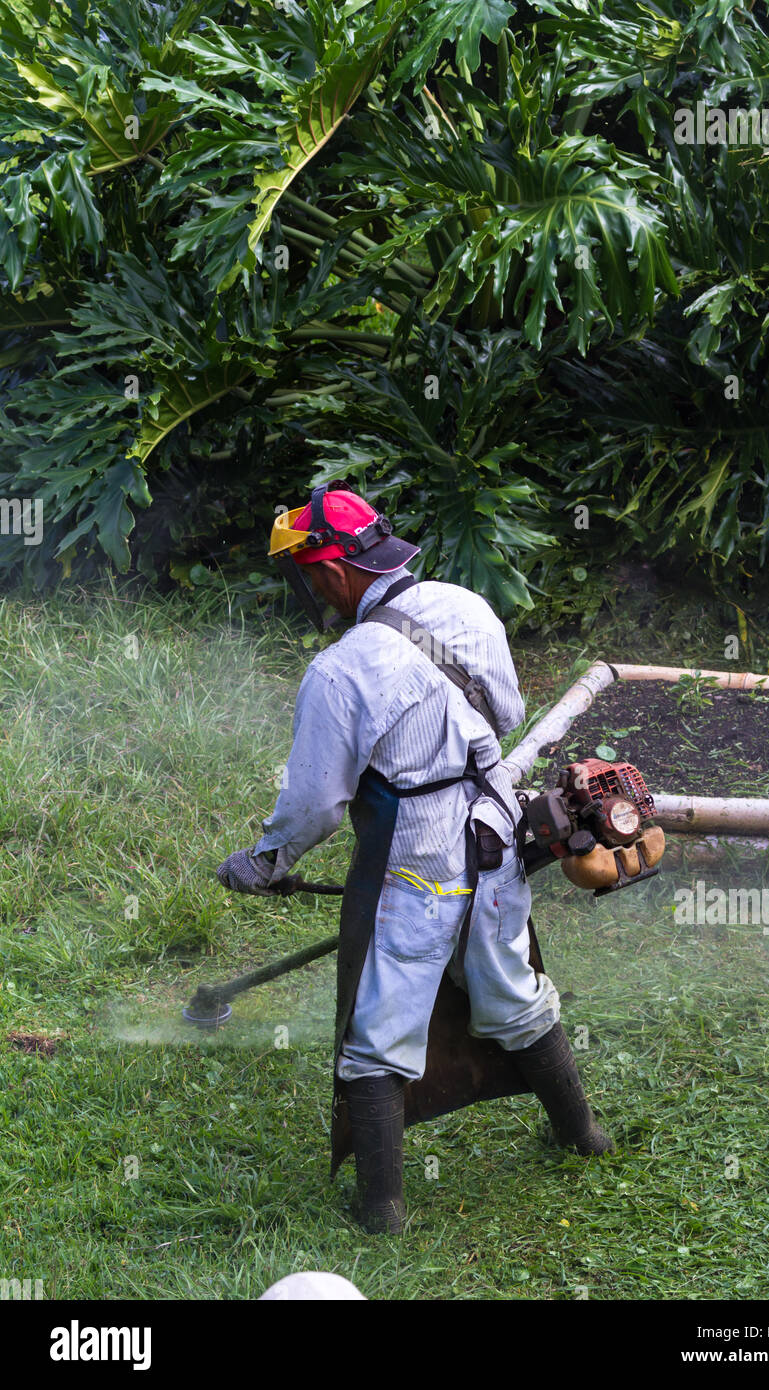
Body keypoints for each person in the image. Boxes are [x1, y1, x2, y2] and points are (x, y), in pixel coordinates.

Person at [218, 483, 612, 1234]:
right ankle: (582, 1136)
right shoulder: (466, 607)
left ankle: (383, 1213)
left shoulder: (342, 670)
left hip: (418, 856)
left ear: (329, 575)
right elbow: (507, 714)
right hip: (495, 830)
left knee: (380, 1030)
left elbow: (314, 804)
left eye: (307, 576)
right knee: (511, 989)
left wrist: (264, 863)